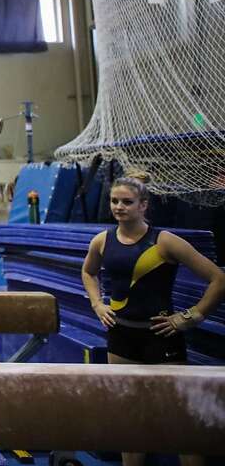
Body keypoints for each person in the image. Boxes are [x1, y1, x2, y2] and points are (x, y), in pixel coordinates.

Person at [81, 174, 224, 466]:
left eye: (127, 202)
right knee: (130, 420)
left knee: (180, 422)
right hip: (121, 337)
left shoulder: (164, 242)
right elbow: (88, 272)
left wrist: (190, 317)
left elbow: (218, 279)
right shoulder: (102, 241)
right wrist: (97, 303)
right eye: (114, 201)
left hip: (161, 338)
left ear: (144, 205)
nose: (119, 207)